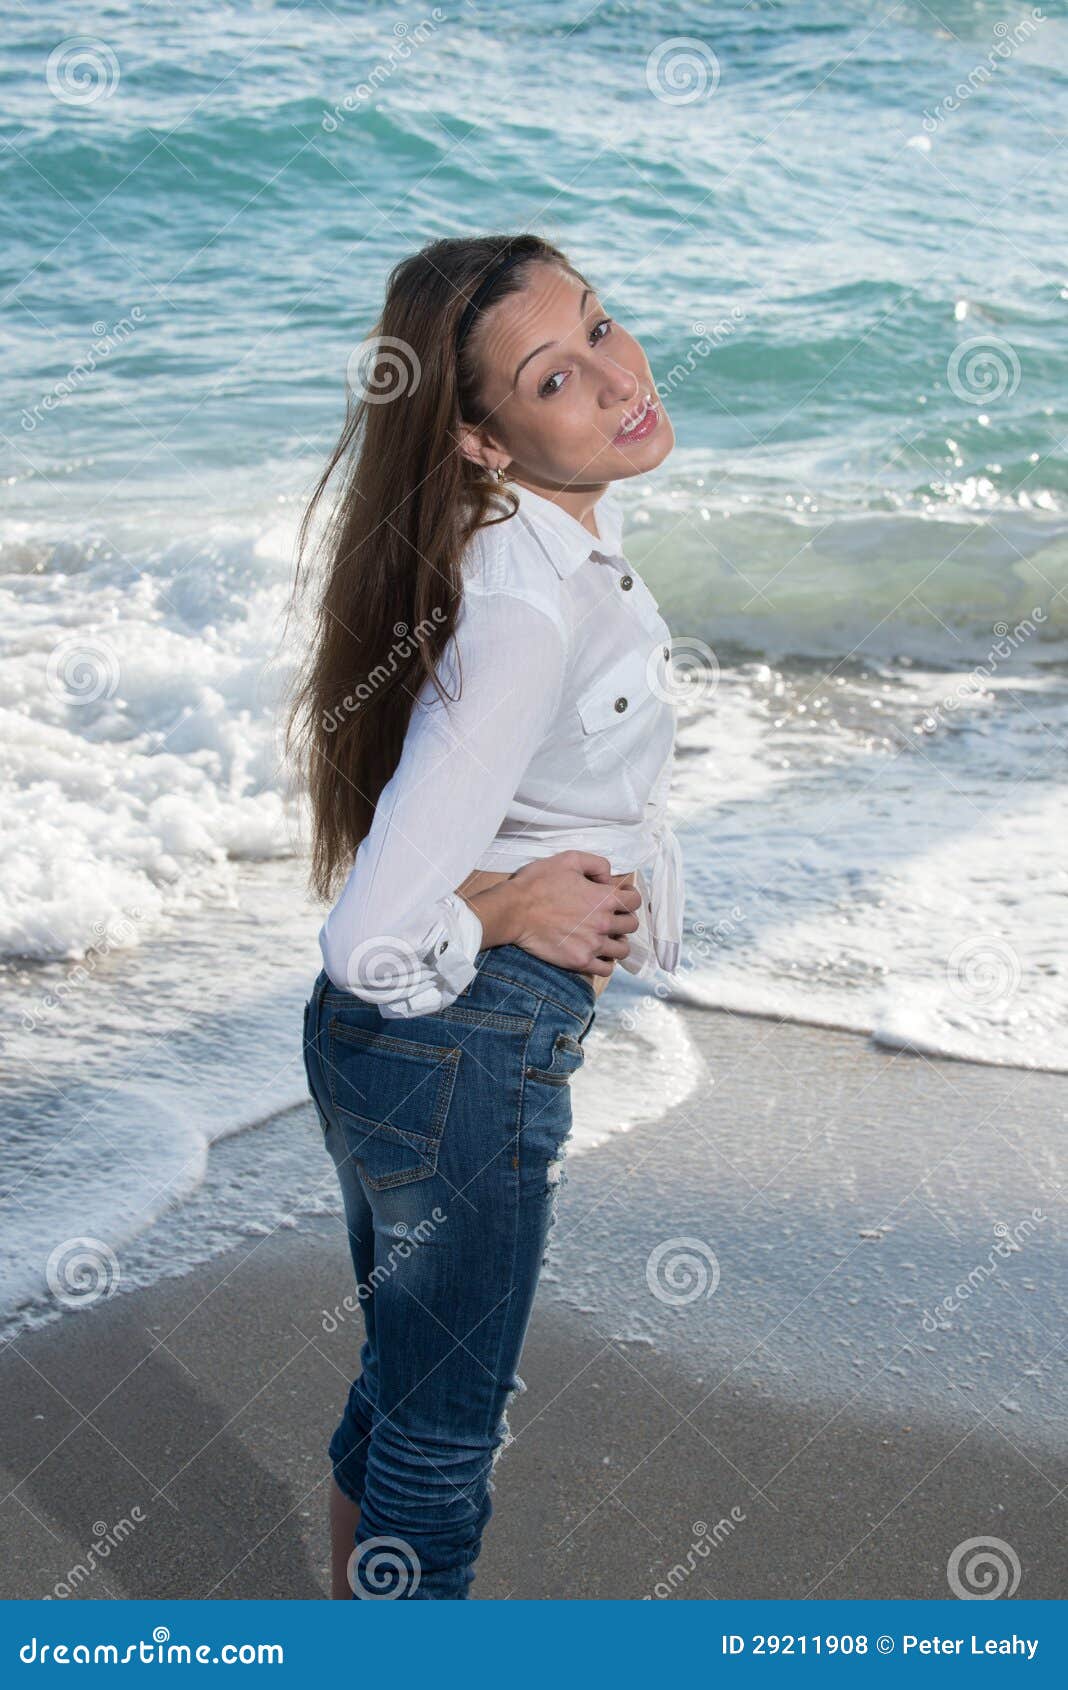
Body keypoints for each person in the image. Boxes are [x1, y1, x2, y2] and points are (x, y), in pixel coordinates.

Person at [288, 232, 684, 1599]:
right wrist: (509, 902)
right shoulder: (523, 608)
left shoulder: (554, 520)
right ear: (481, 441)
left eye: (601, 328)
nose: (616, 379)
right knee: (441, 1460)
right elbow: (372, 943)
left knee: (402, 1401)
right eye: (555, 379)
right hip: (452, 1053)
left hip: (397, 1058)